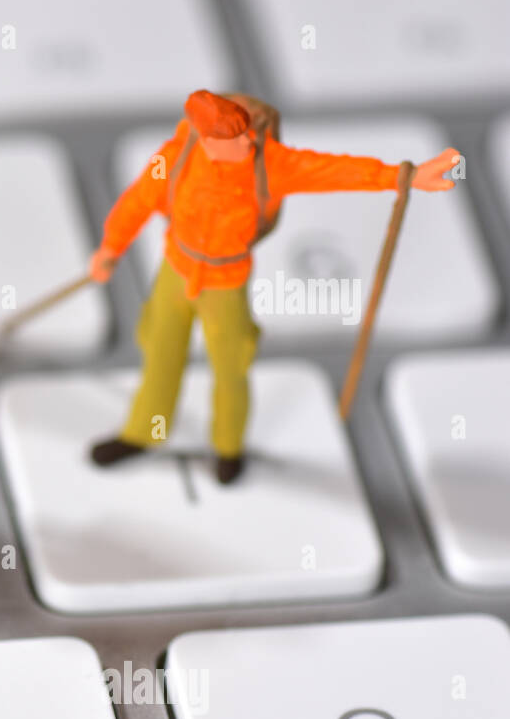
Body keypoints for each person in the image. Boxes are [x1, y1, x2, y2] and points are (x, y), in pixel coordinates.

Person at [88, 89, 461, 484]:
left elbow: (334, 170)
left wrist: (406, 176)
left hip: (226, 284)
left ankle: (228, 447)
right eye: (230, 140)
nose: (245, 142)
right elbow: (140, 199)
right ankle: (146, 432)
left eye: (244, 136)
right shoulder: (175, 157)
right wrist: (111, 248)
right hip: (174, 274)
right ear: (206, 138)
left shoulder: (272, 165)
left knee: (231, 366)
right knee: (160, 352)